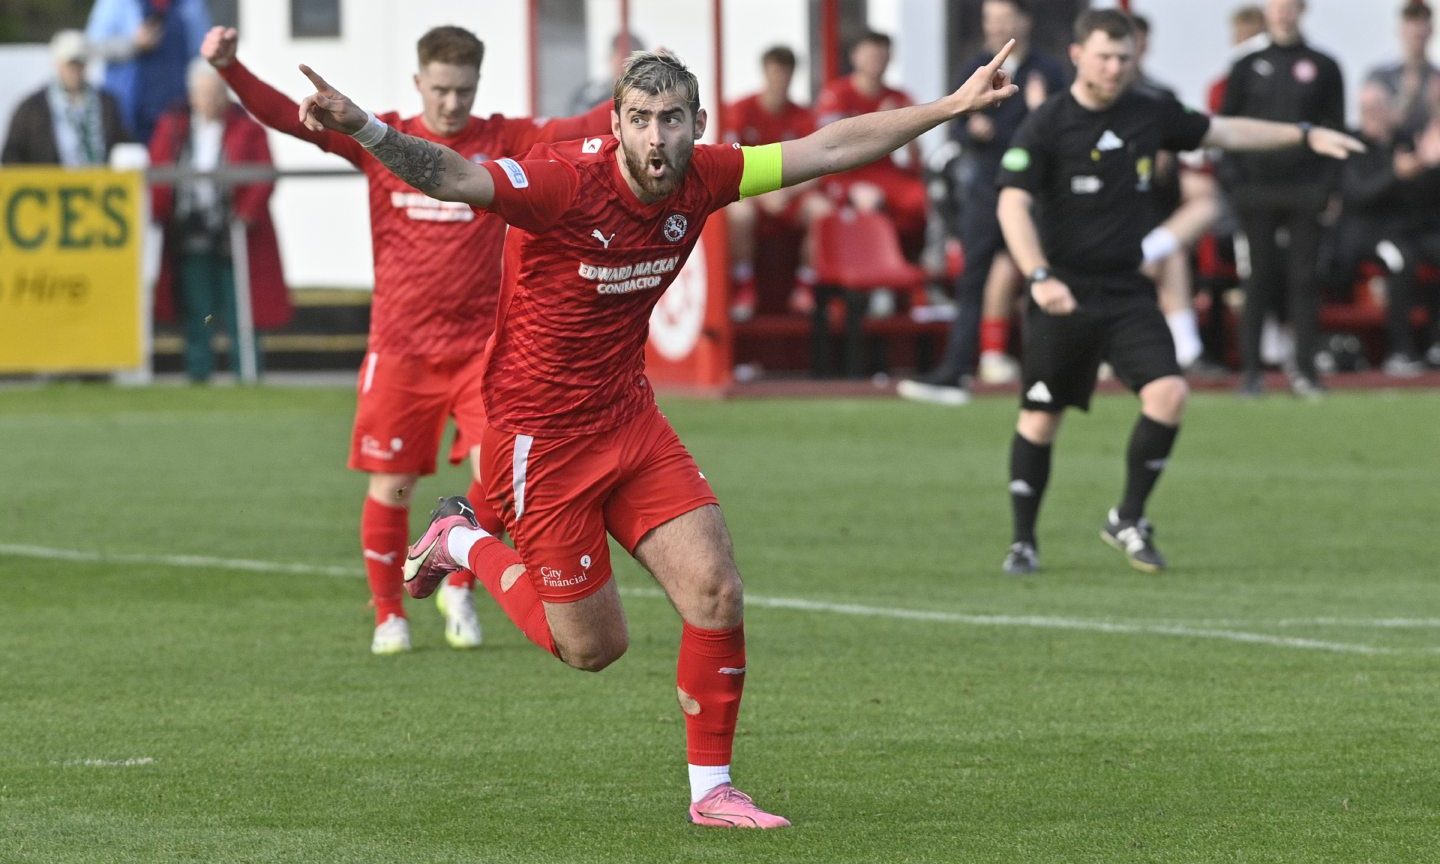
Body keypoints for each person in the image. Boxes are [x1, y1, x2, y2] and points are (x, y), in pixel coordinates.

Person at [292, 42, 1018, 827]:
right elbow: (454, 176)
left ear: (697, 125)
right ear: (615, 124)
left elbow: (829, 147)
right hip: (539, 438)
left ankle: (713, 792)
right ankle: (460, 540)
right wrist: (363, 127)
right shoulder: (563, 182)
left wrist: (949, 107)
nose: (655, 136)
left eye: (671, 119)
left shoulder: (708, 175)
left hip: (628, 419)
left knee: (716, 590)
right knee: (592, 649)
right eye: (639, 119)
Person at [201, 25, 612, 654]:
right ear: (420, 82)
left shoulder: (504, 139)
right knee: (392, 485)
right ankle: (389, 614)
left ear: (478, 85)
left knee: (501, 478)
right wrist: (231, 68)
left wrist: (635, 91)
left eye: (464, 90)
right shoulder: (383, 136)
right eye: (441, 89)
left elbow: (578, 127)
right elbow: (288, 117)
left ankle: (460, 584)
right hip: (401, 349)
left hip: (485, 352)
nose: (452, 103)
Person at [995, 9, 1361, 576]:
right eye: (1104, 57)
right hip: (1062, 289)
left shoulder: (1150, 111)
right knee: (1041, 419)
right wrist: (1039, 275)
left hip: (1126, 289)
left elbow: (1226, 131)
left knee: (1169, 394)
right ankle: (1023, 542)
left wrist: (1305, 134)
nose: (1114, 68)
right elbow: (1012, 204)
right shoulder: (1047, 123)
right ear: (1078, 55)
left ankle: (1128, 517)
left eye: (1124, 57)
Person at [897, 0, 1065, 405]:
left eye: (1005, 18)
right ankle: (955, 370)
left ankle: (1053, 373)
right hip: (986, 194)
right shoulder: (974, 69)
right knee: (972, 281)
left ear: (1025, 21)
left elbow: (1058, 130)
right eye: (991, 20)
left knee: (1042, 277)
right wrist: (973, 129)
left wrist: (1034, 113)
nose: (997, 27)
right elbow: (954, 126)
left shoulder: (1049, 71)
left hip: (1034, 196)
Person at [1220, 0, 1346, 397]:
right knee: (1257, 279)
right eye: (1276, 5)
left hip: (1305, 191)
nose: (1282, 13)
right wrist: (1235, 184)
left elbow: (1337, 129)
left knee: (1304, 280)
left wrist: (1328, 188)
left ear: (1301, 10)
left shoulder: (1323, 66)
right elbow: (1225, 128)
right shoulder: (1246, 65)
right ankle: (1251, 373)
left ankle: (1305, 371)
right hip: (1255, 190)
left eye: (1289, 6)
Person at [149, 58, 290, 383]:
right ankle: (198, 370)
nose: (209, 101)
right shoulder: (174, 126)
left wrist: (247, 213)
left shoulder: (246, 128)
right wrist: (160, 211)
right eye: (202, 93)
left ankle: (247, 370)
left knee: (242, 306)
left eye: (215, 93)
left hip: (235, 231)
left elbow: (263, 174)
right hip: (190, 229)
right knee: (197, 308)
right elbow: (158, 170)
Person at [1330, 81, 1440, 375]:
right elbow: (1357, 194)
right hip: (1366, 235)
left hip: (1407, 231)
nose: (1372, 115)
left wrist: (1429, 165)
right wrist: (1396, 174)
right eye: (1366, 109)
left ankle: (1434, 342)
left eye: (1377, 108)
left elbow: (1424, 197)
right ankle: (1401, 350)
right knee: (1401, 260)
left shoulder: (1405, 142)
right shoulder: (1352, 145)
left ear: (1390, 110)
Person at [721, 45, 831, 320]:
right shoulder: (741, 110)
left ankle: (806, 287)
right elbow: (729, 161)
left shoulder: (803, 116)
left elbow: (817, 167)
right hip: (752, 194)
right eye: (774, 72)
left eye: (785, 73)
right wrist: (762, 194)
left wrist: (786, 193)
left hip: (789, 196)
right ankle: (743, 286)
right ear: (765, 73)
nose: (779, 79)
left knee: (822, 211)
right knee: (739, 213)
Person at [816, 31, 929, 263]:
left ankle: (918, 266)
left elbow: (915, 156)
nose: (876, 62)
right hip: (846, 175)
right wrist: (880, 121)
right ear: (855, 57)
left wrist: (908, 125)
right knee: (869, 201)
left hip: (887, 173)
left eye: (881, 56)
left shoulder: (899, 97)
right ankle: (867, 270)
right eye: (870, 56)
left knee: (925, 199)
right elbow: (830, 146)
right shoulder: (836, 95)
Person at [86, 0, 211, 144]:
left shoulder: (190, 4)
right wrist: (133, 44)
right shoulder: (116, 3)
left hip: (177, 111)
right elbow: (92, 46)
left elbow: (202, 52)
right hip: (128, 113)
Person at [2, 30, 127, 166]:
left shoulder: (107, 104)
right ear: (58, 64)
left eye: (80, 64)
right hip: (49, 179)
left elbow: (124, 146)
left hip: (99, 178)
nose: (75, 70)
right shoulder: (32, 108)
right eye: (70, 64)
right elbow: (11, 156)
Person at [1367, 1, 1440, 143]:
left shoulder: (1437, 78)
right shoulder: (1380, 77)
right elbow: (1373, 130)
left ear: (1431, 30)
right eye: (1412, 21)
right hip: (1390, 153)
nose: (1418, 28)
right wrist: (1406, 98)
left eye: (1423, 21)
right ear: (1401, 29)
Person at [568, 31, 645, 116]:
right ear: (610, 58)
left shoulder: (648, 97)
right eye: (620, 56)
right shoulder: (591, 94)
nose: (625, 64)